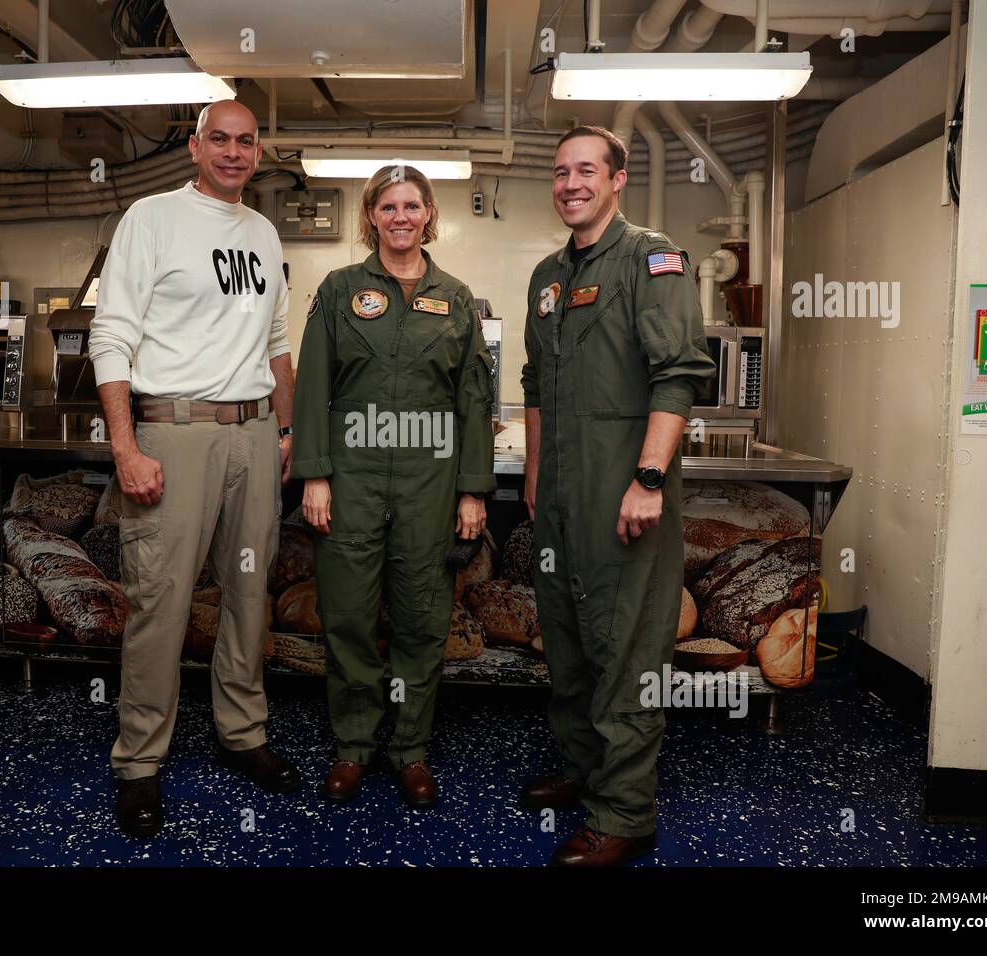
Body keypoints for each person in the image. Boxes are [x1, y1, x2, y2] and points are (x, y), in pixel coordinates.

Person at [88, 100, 300, 840]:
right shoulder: (151, 219)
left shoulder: (265, 230)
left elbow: (277, 340)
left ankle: (242, 731)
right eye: (221, 139)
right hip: (174, 432)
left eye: (247, 142)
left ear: (257, 151)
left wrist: (286, 427)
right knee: (162, 601)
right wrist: (126, 447)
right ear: (195, 145)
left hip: (253, 436)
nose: (235, 153)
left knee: (248, 595)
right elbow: (109, 335)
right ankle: (139, 760)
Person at [519, 126, 716, 866]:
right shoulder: (546, 275)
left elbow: (679, 375)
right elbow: (536, 385)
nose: (571, 182)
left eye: (586, 170)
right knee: (567, 644)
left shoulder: (651, 259)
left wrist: (649, 478)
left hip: (623, 488)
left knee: (625, 648)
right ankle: (583, 772)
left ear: (617, 179)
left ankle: (626, 814)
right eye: (561, 170)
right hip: (562, 494)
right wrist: (535, 474)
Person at [291, 164, 495, 807]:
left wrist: (472, 491)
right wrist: (316, 476)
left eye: (412, 205)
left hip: (428, 482)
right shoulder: (340, 288)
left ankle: (409, 748)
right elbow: (314, 388)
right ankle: (353, 746)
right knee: (348, 615)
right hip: (350, 478)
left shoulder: (457, 297)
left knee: (421, 619)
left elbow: (473, 400)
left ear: (429, 214)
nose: (400, 217)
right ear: (371, 217)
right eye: (388, 206)